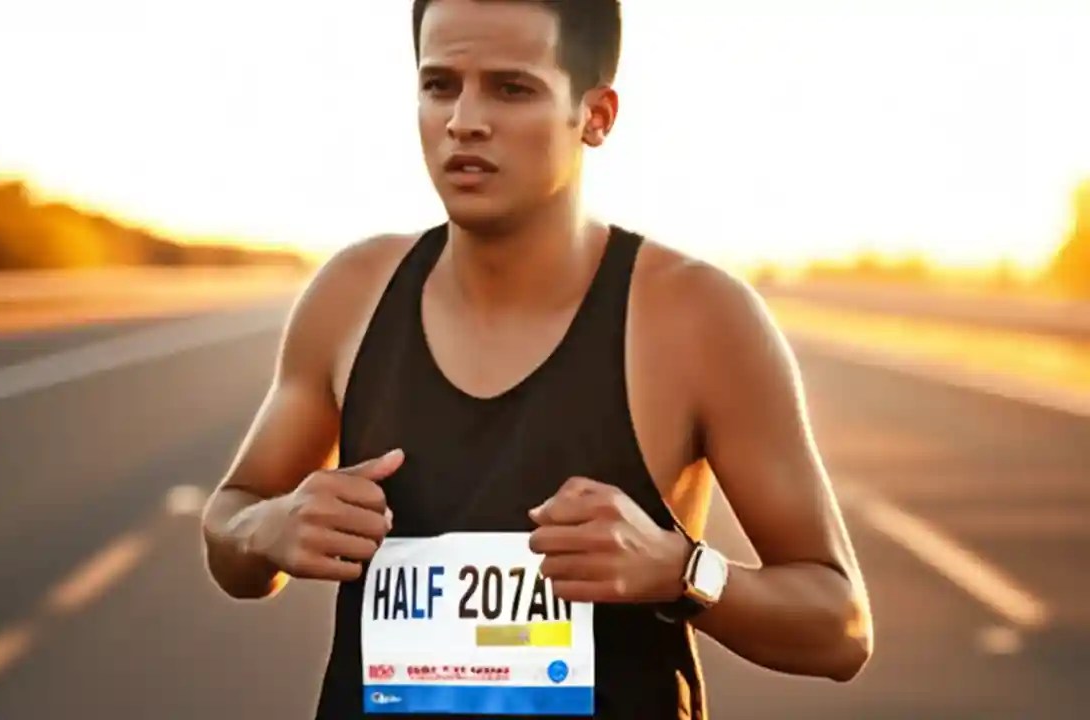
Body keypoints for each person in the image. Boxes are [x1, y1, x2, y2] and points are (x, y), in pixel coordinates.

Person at [200, 0, 874, 717]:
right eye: (439, 85)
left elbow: (840, 628)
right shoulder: (352, 293)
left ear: (597, 116)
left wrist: (681, 572)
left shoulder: (698, 318)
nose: (464, 120)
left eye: (510, 88)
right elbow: (231, 526)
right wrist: (267, 530)